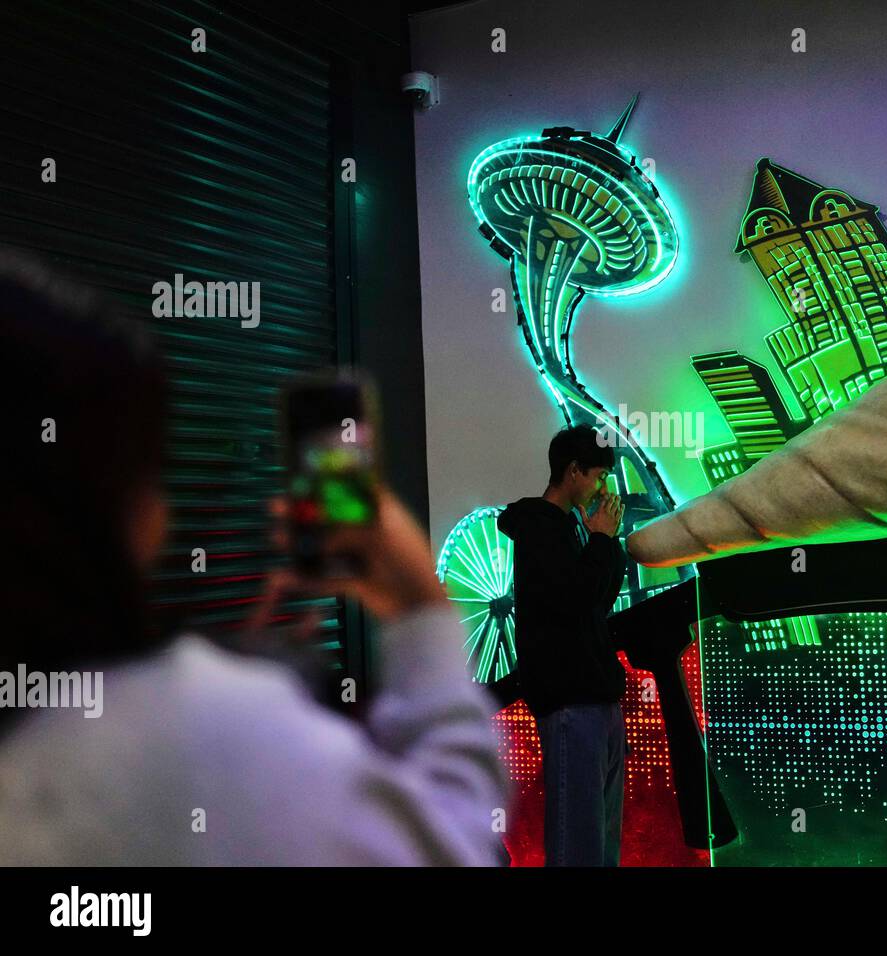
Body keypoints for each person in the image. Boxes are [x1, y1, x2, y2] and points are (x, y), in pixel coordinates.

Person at [0, 250, 507, 865]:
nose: (166, 518)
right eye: (148, 473)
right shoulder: (185, 735)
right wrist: (421, 613)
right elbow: (451, 846)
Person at [497, 426, 628, 866]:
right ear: (574, 471)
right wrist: (601, 540)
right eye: (599, 477)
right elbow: (576, 601)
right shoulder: (541, 530)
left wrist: (603, 543)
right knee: (580, 842)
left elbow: (598, 603)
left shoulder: (570, 529)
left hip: (597, 699)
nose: (603, 489)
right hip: (573, 701)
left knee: (601, 839)